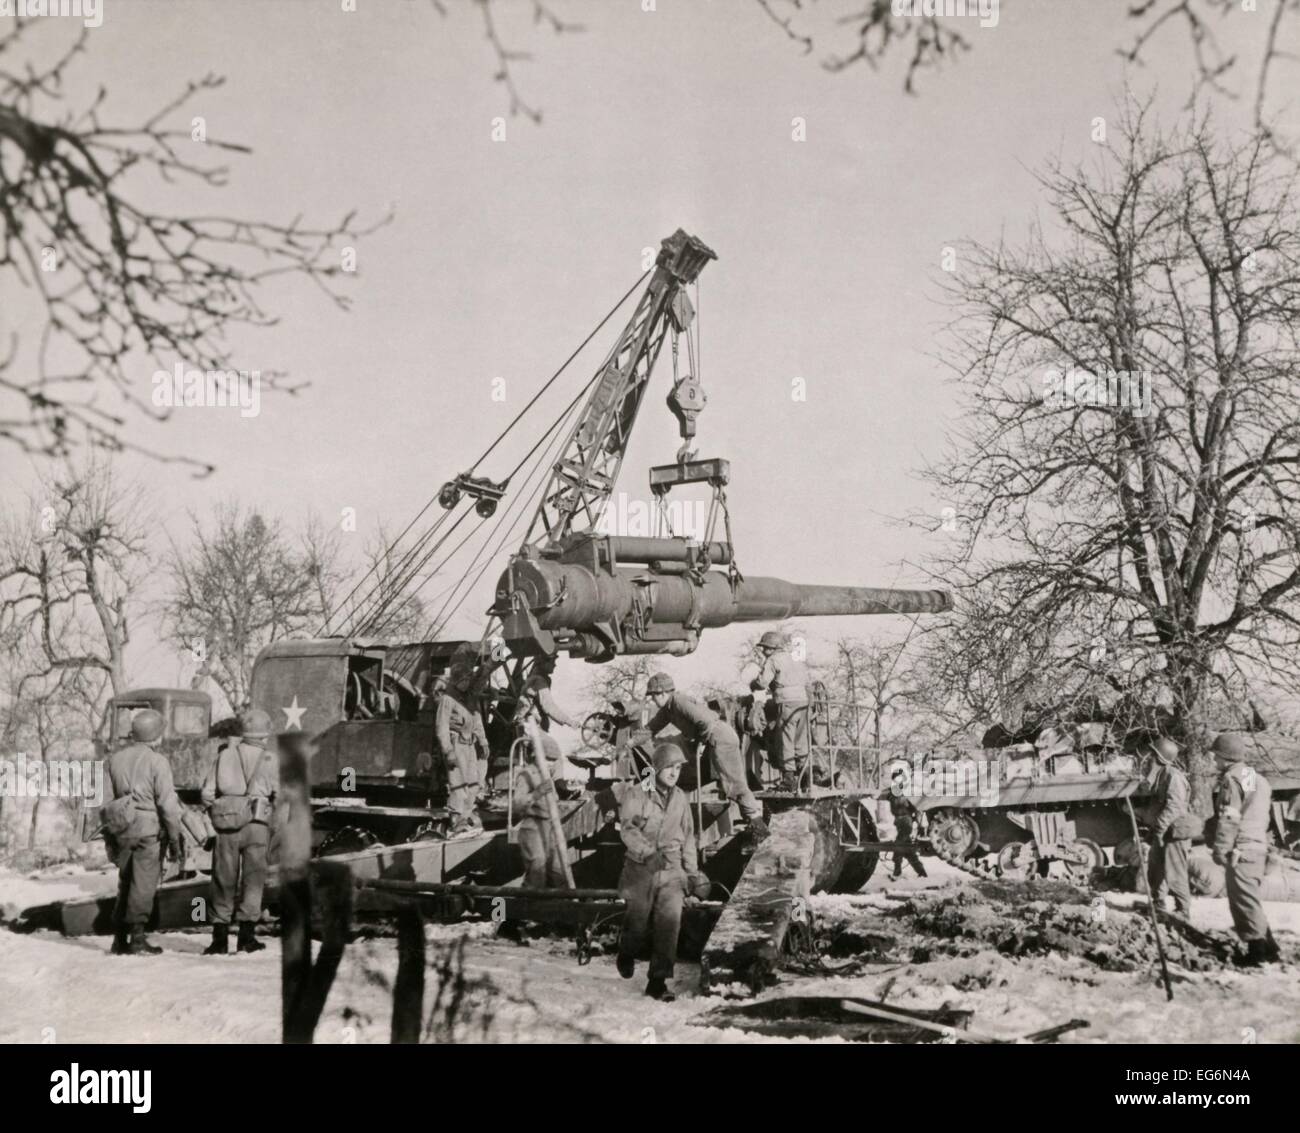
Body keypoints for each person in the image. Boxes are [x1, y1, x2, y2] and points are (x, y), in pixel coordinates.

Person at [616, 741, 710, 1001]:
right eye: (669, 767)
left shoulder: (680, 798)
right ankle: (626, 951)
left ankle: (657, 981)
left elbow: (688, 837)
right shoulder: (638, 794)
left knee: (669, 924)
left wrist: (692, 873)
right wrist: (647, 853)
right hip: (641, 867)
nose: (674, 773)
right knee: (637, 921)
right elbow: (628, 830)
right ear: (656, 768)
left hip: (671, 866)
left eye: (678, 768)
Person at [644, 672, 769, 844]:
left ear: (662, 693)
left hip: (720, 737)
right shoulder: (667, 710)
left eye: (653, 696)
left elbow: (705, 722)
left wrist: (702, 741)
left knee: (733, 783)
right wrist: (629, 742)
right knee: (696, 778)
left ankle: (758, 826)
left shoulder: (679, 701)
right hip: (711, 739)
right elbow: (649, 729)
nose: (652, 700)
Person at [105, 709, 184, 956]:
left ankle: (119, 940)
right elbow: (167, 805)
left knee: (125, 881)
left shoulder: (114, 759)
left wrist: (109, 838)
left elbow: (104, 802)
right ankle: (137, 939)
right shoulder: (158, 761)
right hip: (148, 830)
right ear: (155, 735)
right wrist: (174, 838)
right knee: (143, 884)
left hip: (121, 828)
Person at [200, 708, 278, 955]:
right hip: (257, 825)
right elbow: (281, 796)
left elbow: (207, 793)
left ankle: (219, 940)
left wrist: (222, 810)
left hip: (227, 824)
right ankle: (247, 938)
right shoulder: (271, 758)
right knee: (253, 880)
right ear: (265, 733)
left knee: (223, 879)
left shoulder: (225, 755)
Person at [1211, 733, 1280, 965]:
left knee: (1242, 901)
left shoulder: (1231, 779)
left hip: (1240, 848)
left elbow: (1230, 816)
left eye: (1216, 756)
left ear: (1225, 757)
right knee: (1250, 898)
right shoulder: (1253, 777)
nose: (1214, 760)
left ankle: (1257, 955)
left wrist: (1221, 848)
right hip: (1257, 845)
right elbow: (1253, 811)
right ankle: (1270, 948)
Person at [749, 631, 810, 791]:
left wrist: (753, 684)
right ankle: (805, 778)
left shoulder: (773, 660)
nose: (763, 651)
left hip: (786, 702)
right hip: (803, 701)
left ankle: (789, 780)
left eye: (765, 648)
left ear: (773, 648)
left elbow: (763, 683)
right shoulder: (795, 658)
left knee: (785, 739)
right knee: (800, 740)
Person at [1143, 736, 1192, 920]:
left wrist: (1158, 829)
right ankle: (1158, 904)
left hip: (1174, 833)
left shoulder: (1174, 777)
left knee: (1175, 872)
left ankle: (1183, 910)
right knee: (1156, 869)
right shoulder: (1161, 775)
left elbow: (1174, 807)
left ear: (1160, 758)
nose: (1149, 758)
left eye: (1152, 755)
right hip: (1163, 831)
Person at [511, 730, 569, 889]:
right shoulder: (526, 774)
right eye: (548, 759)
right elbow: (517, 804)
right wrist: (536, 794)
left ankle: (560, 902)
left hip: (550, 827)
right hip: (532, 827)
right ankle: (529, 901)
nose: (551, 763)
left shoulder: (548, 775)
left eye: (553, 760)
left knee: (558, 871)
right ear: (537, 756)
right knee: (537, 868)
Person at [437, 671, 490, 833]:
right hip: (456, 744)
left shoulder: (469, 700)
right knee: (458, 783)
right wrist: (448, 751)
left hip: (470, 745)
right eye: (463, 680)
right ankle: (456, 821)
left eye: (468, 679)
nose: (466, 683)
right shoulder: (447, 700)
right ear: (455, 681)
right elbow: (442, 727)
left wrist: (483, 741)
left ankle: (465, 817)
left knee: (473, 782)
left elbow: (477, 721)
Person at [883, 769, 927, 880]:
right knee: (908, 850)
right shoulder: (892, 792)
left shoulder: (908, 792)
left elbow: (916, 809)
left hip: (906, 821)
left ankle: (897, 872)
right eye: (895, 779)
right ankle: (922, 872)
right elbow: (878, 795)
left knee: (899, 845)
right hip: (899, 822)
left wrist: (919, 824)